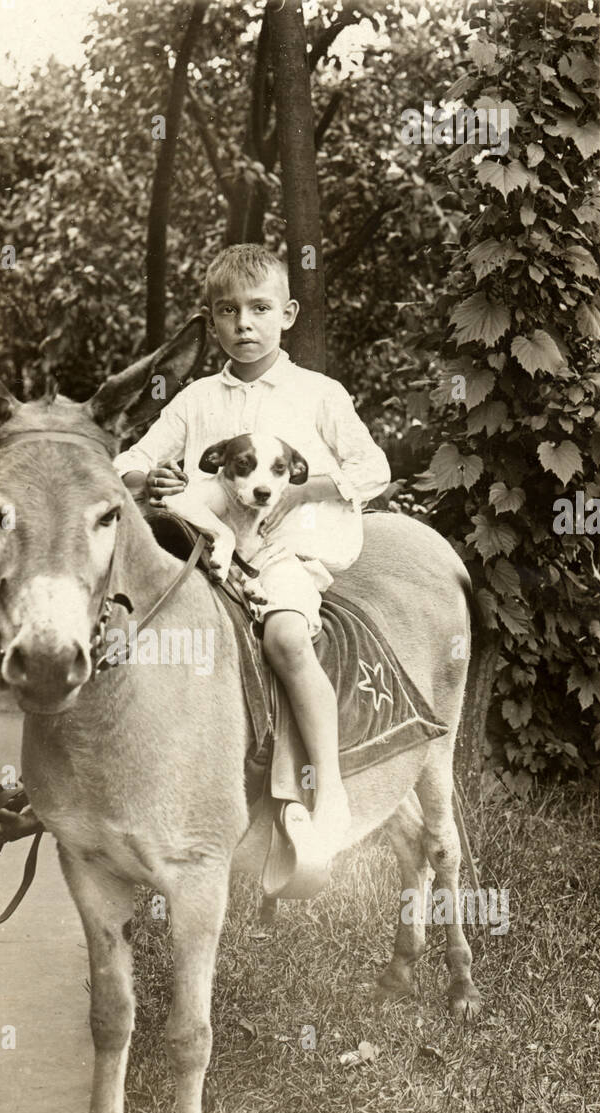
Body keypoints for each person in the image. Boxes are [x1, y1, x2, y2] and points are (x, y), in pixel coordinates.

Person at [113, 244, 391, 884]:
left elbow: (372, 470)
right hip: (208, 556)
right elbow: (129, 460)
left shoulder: (317, 393)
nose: (244, 324)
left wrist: (305, 490)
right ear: (211, 323)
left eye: (259, 308)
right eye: (228, 311)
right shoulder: (195, 401)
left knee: (288, 637)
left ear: (287, 313)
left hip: (287, 549)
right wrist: (146, 475)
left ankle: (329, 787)